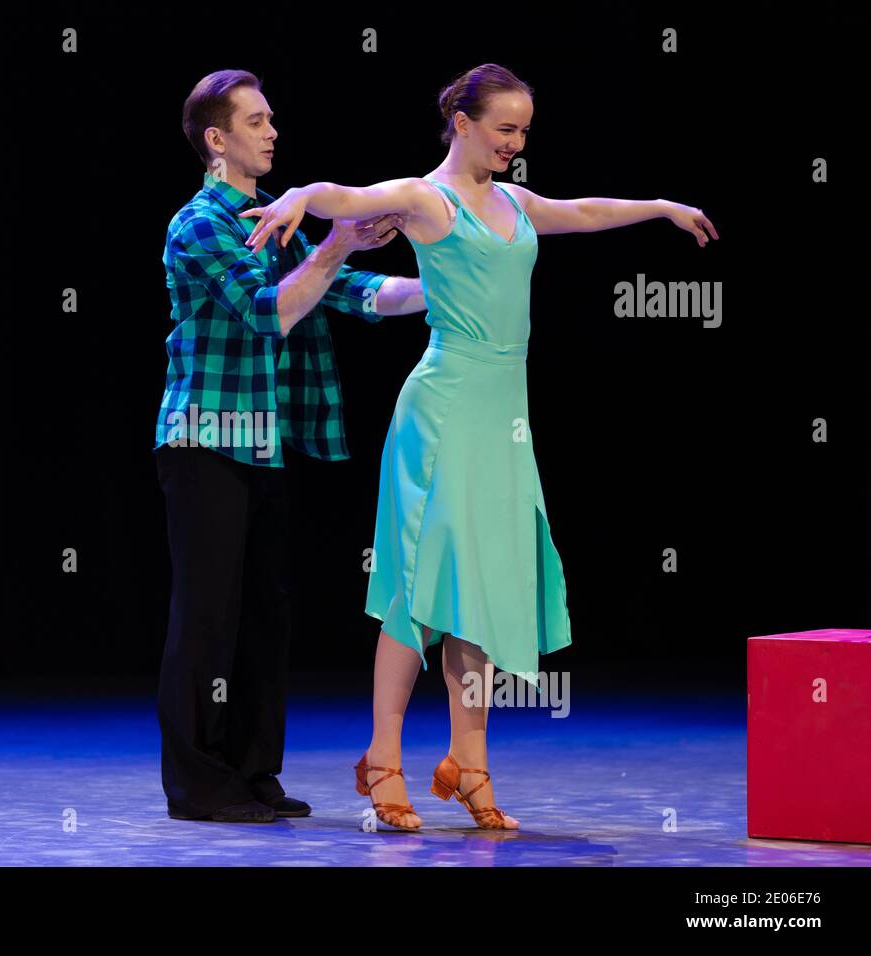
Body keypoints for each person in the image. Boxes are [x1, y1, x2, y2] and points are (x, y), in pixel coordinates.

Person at [243, 63, 718, 831]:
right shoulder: (426, 199)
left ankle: (470, 765)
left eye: (524, 130)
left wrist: (661, 207)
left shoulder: (514, 202)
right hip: (443, 409)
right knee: (417, 589)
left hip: (504, 417)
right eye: (504, 128)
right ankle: (383, 758)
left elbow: (584, 212)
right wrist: (301, 195)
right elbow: (349, 198)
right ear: (461, 123)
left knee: (481, 595)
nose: (515, 142)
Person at [154, 69, 427, 823]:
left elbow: (354, 292)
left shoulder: (276, 221)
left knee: (263, 616)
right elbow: (270, 310)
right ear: (217, 139)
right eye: (256, 120)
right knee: (208, 615)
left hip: (262, 443)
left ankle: (251, 773)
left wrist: (451, 289)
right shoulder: (198, 224)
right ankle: (198, 785)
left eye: (272, 119)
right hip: (205, 440)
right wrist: (335, 244)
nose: (273, 131)